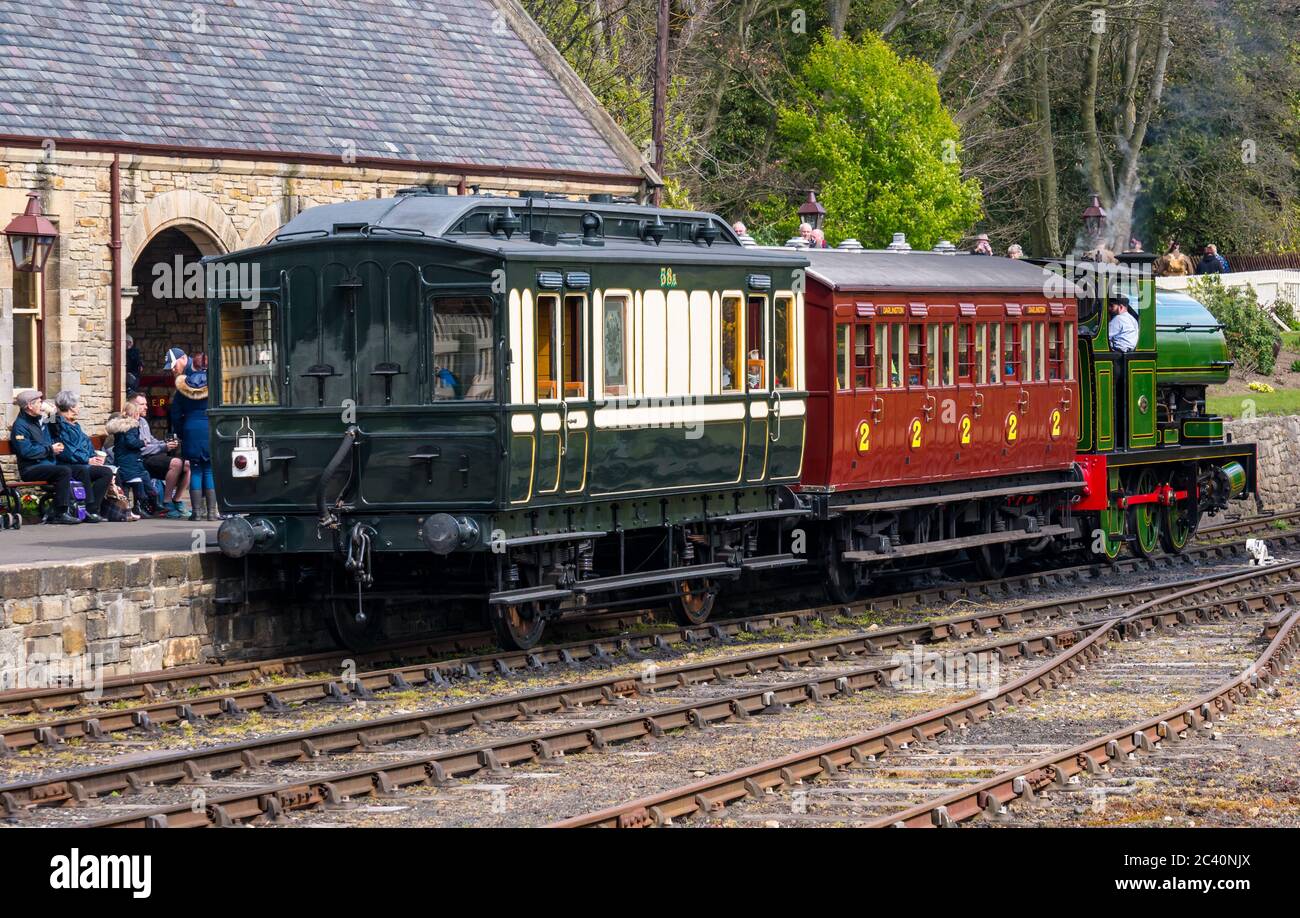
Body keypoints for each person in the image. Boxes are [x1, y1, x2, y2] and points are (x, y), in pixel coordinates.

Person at [8, 390, 81, 524]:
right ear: (30, 406)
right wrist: (50, 449)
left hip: (47, 464)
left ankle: (86, 509)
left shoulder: (39, 420)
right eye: (39, 402)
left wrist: (53, 414)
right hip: (31, 468)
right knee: (64, 471)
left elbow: (56, 428)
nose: (42, 405)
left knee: (80, 469)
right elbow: (26, 451)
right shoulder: (20, 426)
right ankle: (60, 513)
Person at [166, 347, 219, 521]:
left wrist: (181, 432)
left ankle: (196, 513)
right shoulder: (213, 384)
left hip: (190, 428)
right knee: (210, 470)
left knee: (195, 470)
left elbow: (175, 414)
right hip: (209, 427)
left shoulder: (183, 386)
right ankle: (211, 512)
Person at [128, 390, 190, 518]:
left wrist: (165, 443)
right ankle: (167, 502)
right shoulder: (129, 424)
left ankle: (177, 500)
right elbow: (141, 448)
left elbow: (151, 441)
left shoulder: (143, 422)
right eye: (142, 404)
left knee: (189, 465)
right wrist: (163, 447)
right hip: (141, 459)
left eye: (146, 404)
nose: (146, 406)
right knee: (177, 463)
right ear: (133, 406)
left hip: (153, 457)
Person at [51, 390, 111, 522]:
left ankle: (99, 509)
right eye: (77, 404)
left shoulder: (75, 425)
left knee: (108, 471)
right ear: (71, 407)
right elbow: (67, 451)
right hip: (67, 464)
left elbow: (85, 444)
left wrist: (94, 457)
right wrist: (88, 460)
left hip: (81, 463)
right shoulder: (57, 424)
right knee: (95, 471)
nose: (79, 407)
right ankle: (89, 509)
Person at [107, 400, 159, 516]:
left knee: (125, 485)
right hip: (130, 461)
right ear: (135, 414)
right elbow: (131, 443)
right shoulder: (132, 426)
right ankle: (137, 507)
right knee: (137, 483)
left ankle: (125, 508)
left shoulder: (120, 427)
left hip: (122, 460)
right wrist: (142, 442)